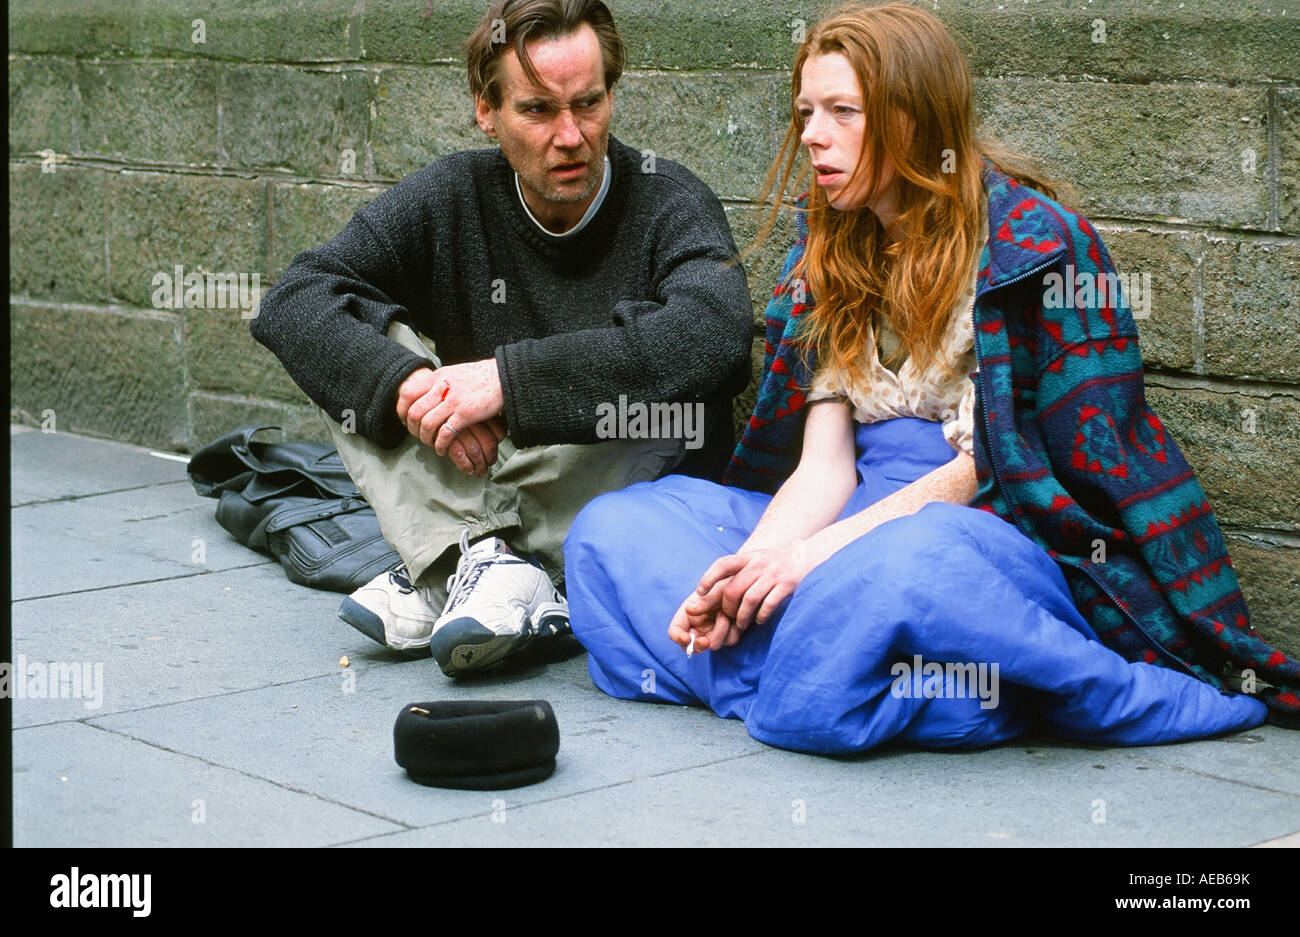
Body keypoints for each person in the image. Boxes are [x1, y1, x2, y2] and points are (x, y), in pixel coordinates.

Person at [563, 1, 1300, 754]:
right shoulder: (826, 255)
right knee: (610, 532)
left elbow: (992, 472)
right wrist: (758, 567)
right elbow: (824, 469)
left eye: (843, 111)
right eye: (807, 111)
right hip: (848, 520)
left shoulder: (1033, 250)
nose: (813, 134)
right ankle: (810, 672)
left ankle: (1085, 690)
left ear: (913, 119)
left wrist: (806, 564)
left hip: (973, 533)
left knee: (905, 572)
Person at [250, 0, 752, 677]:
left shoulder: (668, 199)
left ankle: (456, 563)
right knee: (364, 349)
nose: (571, 135)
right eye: (538, 110)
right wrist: (408, 386)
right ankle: (480, 565)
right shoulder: (454, 195)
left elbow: (715, 336)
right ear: (486, 111)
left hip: (612, 478)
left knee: (658, 375)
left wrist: (507, 383)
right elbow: (294, 300)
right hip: (489, 463)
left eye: (589, 103)